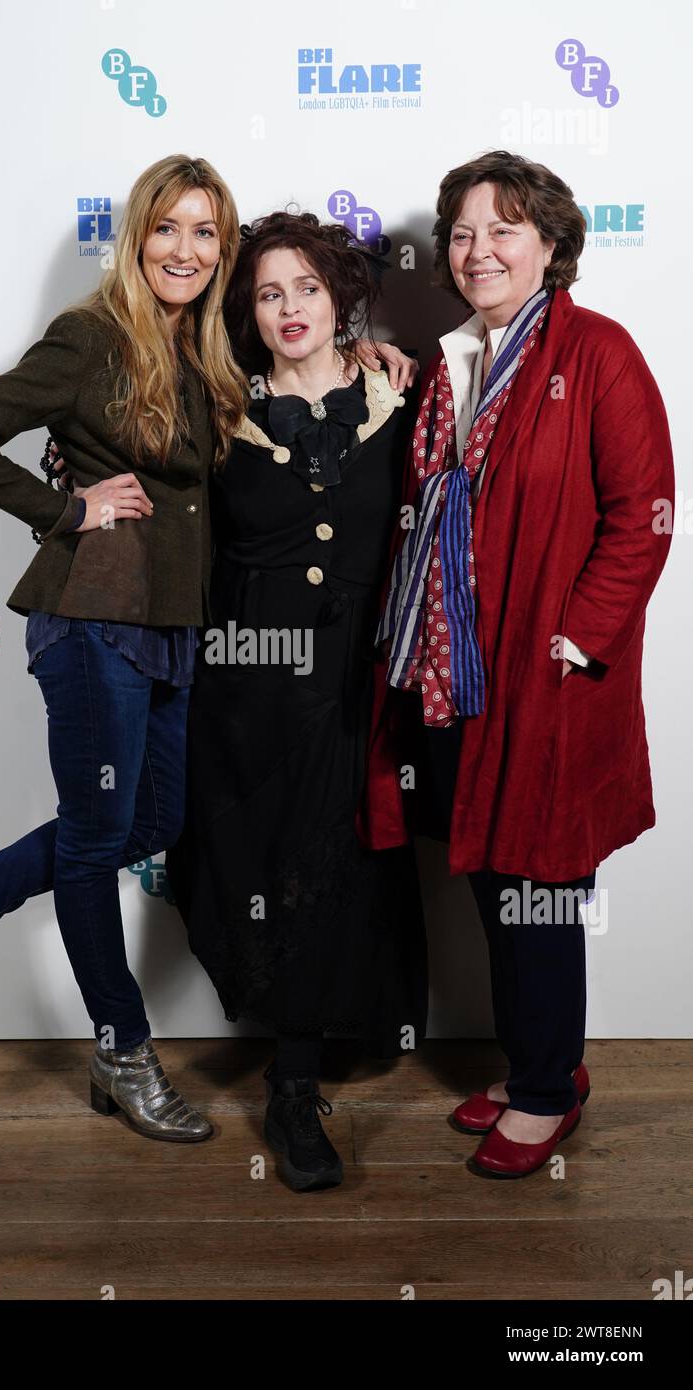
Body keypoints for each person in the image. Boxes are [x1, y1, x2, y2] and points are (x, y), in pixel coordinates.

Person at [0, 155, 411, 1147]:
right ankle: (123, 1046)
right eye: (168, 229)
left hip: (171, 631)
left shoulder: (203, 353)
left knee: (151, 816)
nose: (185, 250)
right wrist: (67, 505)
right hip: (93, 618)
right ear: (138, 237)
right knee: (102, 836)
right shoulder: (92, 335)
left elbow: (275, 416)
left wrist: (375, 357)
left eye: (206, 234)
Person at [362, 151, 674, 1177]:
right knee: (498, 882)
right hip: (456, 672)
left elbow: (643, 517)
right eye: (461, 230)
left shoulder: (599, 351)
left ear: (550, 243)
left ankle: (547, 1090)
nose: (478, 248)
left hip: (547, 678)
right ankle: (546, 1059)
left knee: (540, 882)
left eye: (503, 228)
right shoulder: (451, 358)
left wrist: (576, 638)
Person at [165, 212, 429, 1193]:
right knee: (263, 865)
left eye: (307, 289)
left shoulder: (397, 394)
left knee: (335, 865)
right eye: (269, 293)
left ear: (339, 298)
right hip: (248, 689)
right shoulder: (220, 412)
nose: (289, 308)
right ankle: (295, 1062)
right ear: (249, 309)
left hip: (358, 688)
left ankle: (296, 1081)